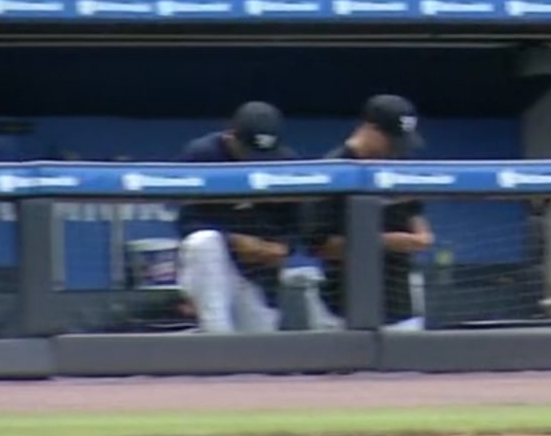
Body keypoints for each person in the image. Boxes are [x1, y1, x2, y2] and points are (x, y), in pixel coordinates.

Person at [306, 95, 435, 330]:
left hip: (399, 305)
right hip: (343, 308)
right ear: (370, 129)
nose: (395, 149)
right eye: (391, 141)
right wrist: (386, 241)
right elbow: (321, 246)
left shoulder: (400, 163)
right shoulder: (333, 168)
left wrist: (421, 238)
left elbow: (417, 220)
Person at [173, 101, 298, 334]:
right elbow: (187, 222)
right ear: (231, 136)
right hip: (217, 266)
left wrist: (282, 248)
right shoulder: (203, 155)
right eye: (249, 151)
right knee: (205, 241)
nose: (254, 160)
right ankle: (216, 337)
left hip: (258, 275)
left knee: (260, 350)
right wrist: (232, 240)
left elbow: (296, 222)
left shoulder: (284, 161)